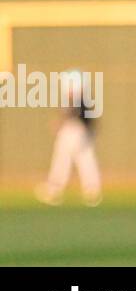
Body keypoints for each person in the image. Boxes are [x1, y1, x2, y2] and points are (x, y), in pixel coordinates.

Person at [35, 70, 102, 207]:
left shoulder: (77, 98)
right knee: (85, 159)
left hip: (73, 131)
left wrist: (59, 123)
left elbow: (71, 114)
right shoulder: (84, 98)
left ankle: (55, 188)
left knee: (64, 159)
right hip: (81, 132)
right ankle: (92, 190)